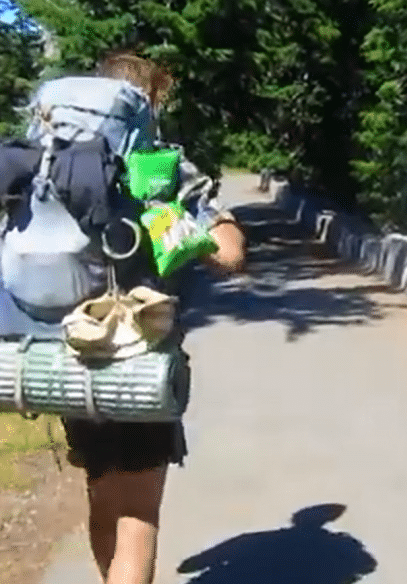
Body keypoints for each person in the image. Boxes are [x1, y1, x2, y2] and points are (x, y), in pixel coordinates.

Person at [58, 52, 246, 584]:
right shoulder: (161, 168)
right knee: (137, 516)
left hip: (72, 356)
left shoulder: (60, 166)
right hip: (141, 361)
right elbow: (231, 256)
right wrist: (188, 232)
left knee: (103, 498)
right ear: (149, 104)